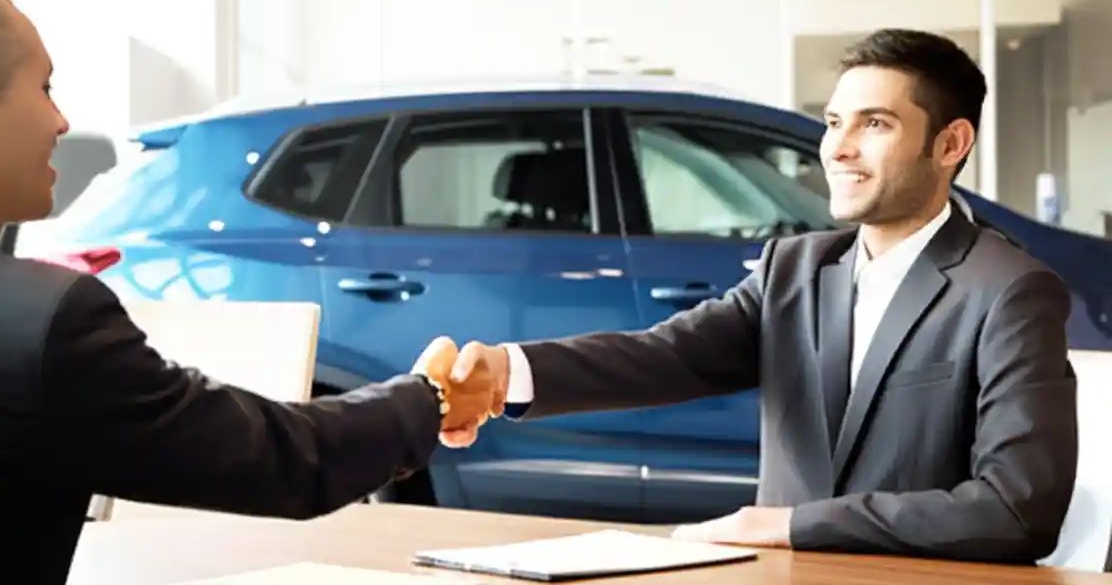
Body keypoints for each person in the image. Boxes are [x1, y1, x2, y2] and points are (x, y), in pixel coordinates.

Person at [0, 0, 495, 583]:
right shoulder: (35, 320)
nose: (61, 121)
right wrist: (432, 400)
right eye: (45, 87)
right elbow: (285, 460)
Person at [443, 28, 1078, 564]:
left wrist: (793, 525)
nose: (839, 149)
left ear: (951, 144)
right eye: (834, 123)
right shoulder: (794, 269)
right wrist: (506, 372)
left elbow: (1017, 509)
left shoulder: (1009, 291)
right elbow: (666, 355)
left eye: (874, 124)